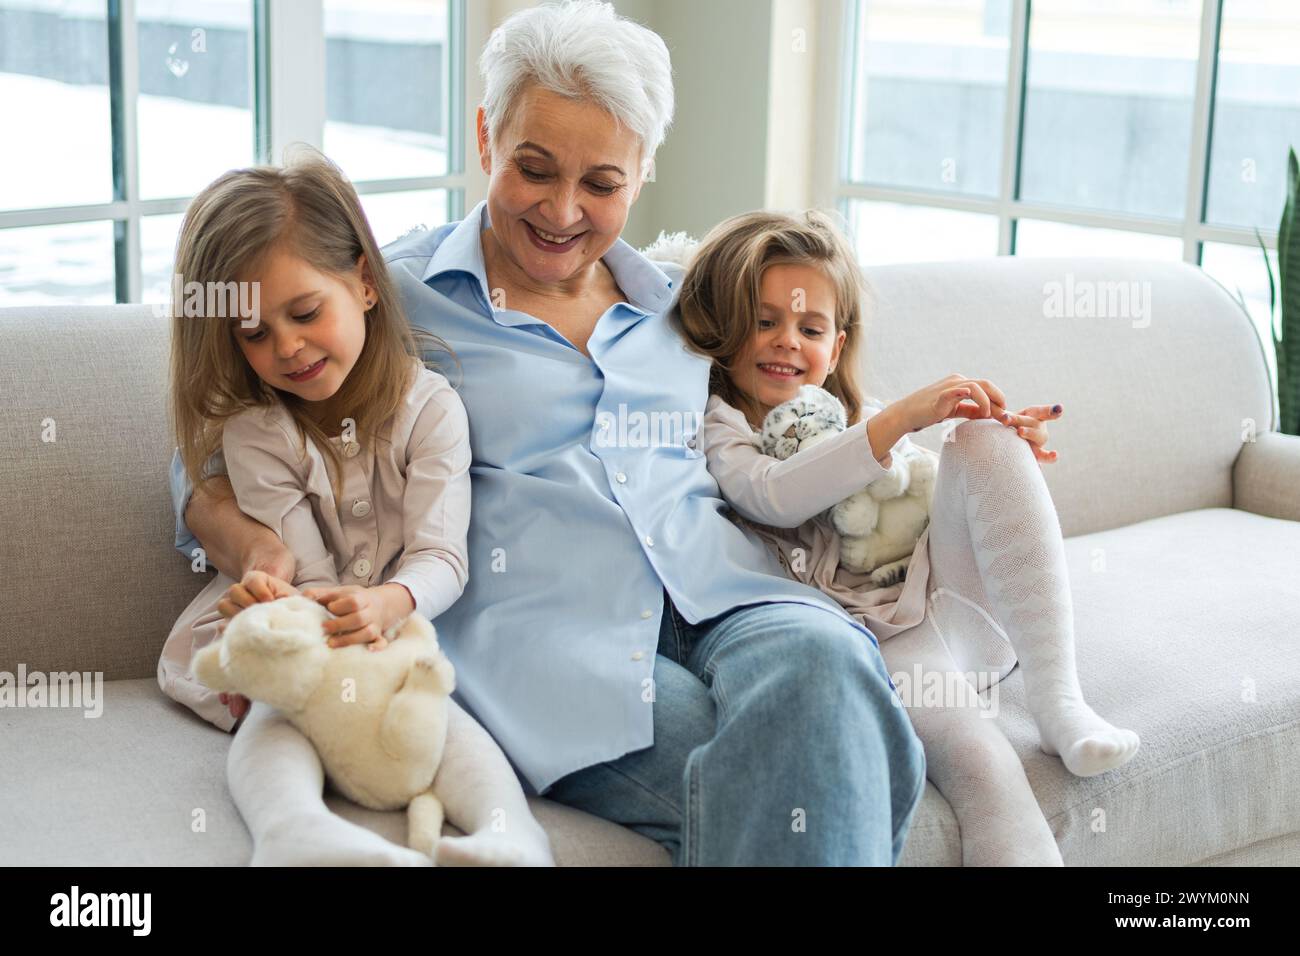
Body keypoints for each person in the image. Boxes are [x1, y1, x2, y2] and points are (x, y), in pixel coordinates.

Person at [172, 0, 925, 865]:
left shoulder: (684, 308)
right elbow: (216, 439)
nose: (563, 210)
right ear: (486, 139)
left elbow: (804, 390)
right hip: (553, 647)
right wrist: (259, 552)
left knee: (829, 672)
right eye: (534, 168)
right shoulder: (398, 295)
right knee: (815, 768)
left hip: (728, 594)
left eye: (601, 183)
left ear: (643, 173)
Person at [678, 208, 1141, 865]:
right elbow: (774, 496)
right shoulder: (724, 427)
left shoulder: (851, 413)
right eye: (763, 320)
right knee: (985, 767)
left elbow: (920, 484)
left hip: (960, 607)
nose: (787, 341)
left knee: (982, 440)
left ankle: (1058, 699)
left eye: (809, 327)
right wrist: (898, 418)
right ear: (726, 327)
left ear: (835, 347)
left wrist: (1004, 432)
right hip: (888, 645)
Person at [161, 151, 553, 866]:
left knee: (449, 719)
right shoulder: (257, 432)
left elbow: (442, 558)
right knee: (278, 720)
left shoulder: (430, 408)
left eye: (305, 312)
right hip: (304, 632)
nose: (287, 346)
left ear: (366, 284)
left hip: (397, 627)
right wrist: (297, 603)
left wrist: (391, 604)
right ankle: (293, 833)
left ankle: (513, 836)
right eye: (253, 334)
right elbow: (305, 575)